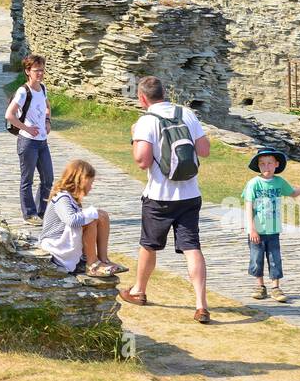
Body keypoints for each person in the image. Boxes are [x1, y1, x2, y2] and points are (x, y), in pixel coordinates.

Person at [118, 76, 213, 323]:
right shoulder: (187, 114)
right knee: (192, 247)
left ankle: (139, 291)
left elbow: (141, 161)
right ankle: (201, 304)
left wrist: (134, 138)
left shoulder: (146, 121)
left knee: (149, 245)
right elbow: (204, 150)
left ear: (142, 98)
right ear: (165, 93)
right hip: (190, 193)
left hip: (159, 195)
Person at [241, 146, 300, 302]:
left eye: (270, 163)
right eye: (262, 164)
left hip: (273, 231)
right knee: (257, 258)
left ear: (276, 164)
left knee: (275, 258)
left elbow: (293, 193)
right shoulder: (254, 183)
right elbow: (248, 206)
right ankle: (260, 286)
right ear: (258, 166)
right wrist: (252, 229)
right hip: (257, 230)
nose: (266, 167)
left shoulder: (279, 182)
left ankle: (275, 287)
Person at [38, 159, 125, 278]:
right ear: (82, 180)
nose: (91, 187)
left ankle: (103, 259)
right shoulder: (62, 197)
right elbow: (71, 220)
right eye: (91, 182)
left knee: (102, 215)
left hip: (65, 243)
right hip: (55, 245)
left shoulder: (72, 200)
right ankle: (92, 264)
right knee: (92, 219)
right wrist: (91, 213)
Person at [5, 54, 53, 225]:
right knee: (27, 179)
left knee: (48, 178)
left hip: (42, 142)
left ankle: (42, 212)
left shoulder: (43, 88)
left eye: (42, 70)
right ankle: (29, 214)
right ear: (27, 71)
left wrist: (47, 121)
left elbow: (47, 107)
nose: (40, 73)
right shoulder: (23, 91)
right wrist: (26, 128)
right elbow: (9, 115)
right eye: (36, 70)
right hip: (27, 142)